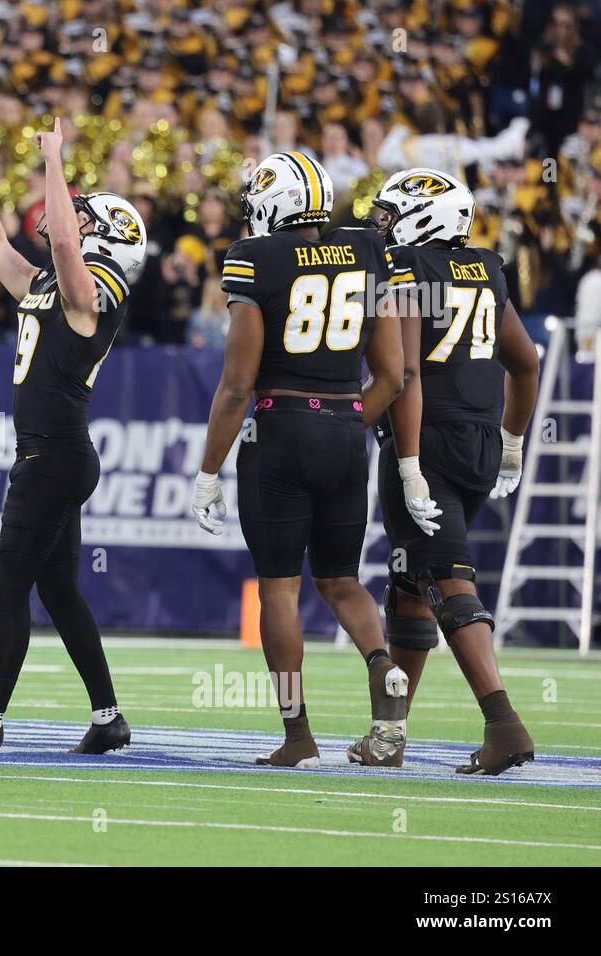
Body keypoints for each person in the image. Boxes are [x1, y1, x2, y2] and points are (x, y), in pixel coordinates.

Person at [0, 118, 142, 754]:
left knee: (7, 584)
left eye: (81, 216)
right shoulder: (51, 285)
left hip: (54, 457)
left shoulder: (90, 294)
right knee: (56, 588)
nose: (65, 219)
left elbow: (72, 254)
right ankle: (108, 718)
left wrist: (55, 160)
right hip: (52, 456)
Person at [192, 151, 410, 769]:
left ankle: (299, 737)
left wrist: (208, 471)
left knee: (280, 591)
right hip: (347, 426)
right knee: (343, 582)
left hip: (281, 427)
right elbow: (393, 376)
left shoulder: (253, 256)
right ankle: (382, 665)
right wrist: (340, 420)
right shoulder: (369, 249)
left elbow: (237, 384)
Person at [367, 168, 539, 775]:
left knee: (445, 580)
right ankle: (388, 737)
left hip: (427, 439)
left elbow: (406, 373)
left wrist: (408, 462)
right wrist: (513, 441)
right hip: (479, 443)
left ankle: (503, 724)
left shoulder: (408, 270)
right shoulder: (487, 267)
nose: (381, 223)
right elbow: (526, 362)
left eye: (392, 212)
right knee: (411, 582)